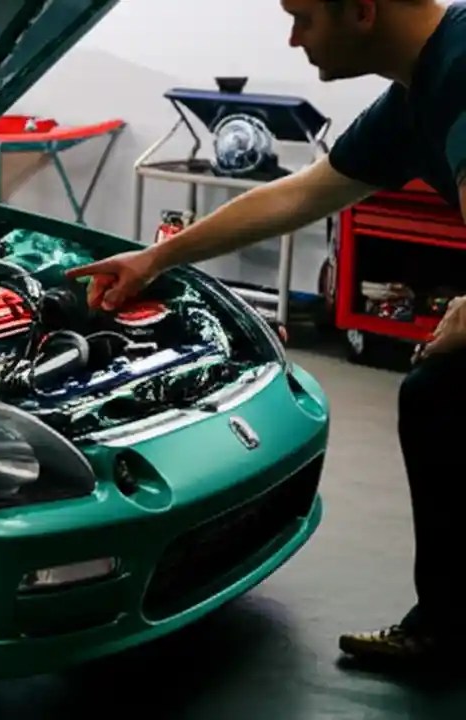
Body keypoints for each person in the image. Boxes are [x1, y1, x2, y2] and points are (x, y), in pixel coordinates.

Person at [66, 0, 466, 665]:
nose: (291, 37)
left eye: (304, 17)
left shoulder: (460, 70)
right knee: (439, 398)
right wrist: (154, 258)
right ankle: (450, 626)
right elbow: (301, 194)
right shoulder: (415, 95)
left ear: (362, 11)